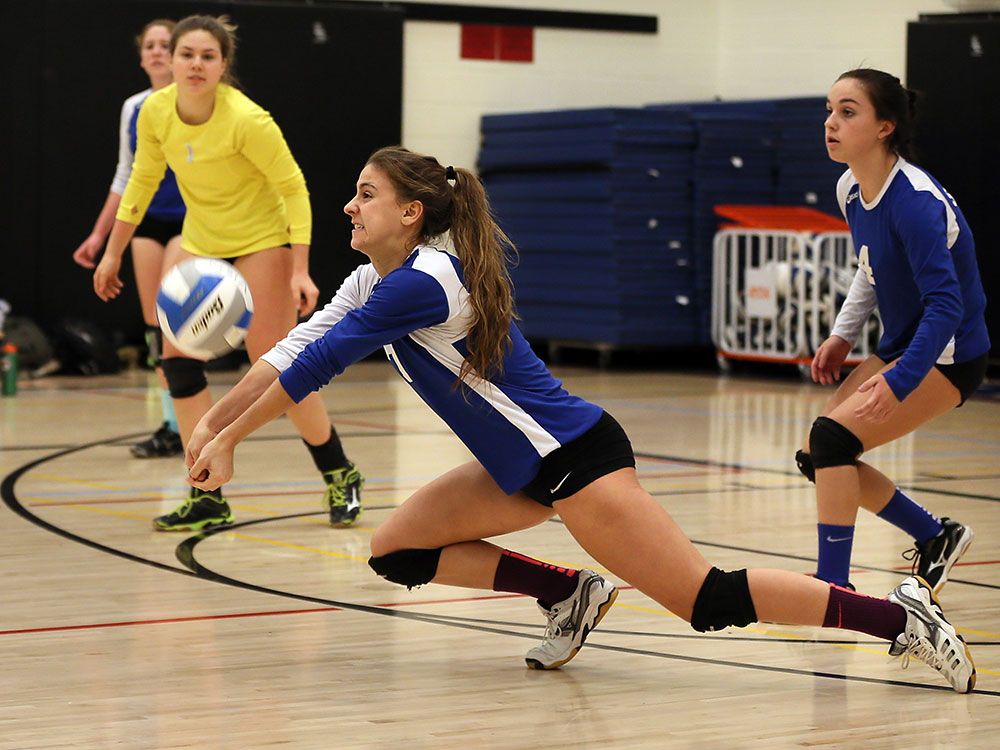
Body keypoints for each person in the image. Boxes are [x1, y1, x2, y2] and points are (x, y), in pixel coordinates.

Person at [185, 146, 975, 693]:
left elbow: (322, 366)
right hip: (523, 471)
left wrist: (226, 438)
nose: (349, 204)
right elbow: (291, 353)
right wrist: (211, 429)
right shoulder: (370, 280)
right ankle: (570, 596)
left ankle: (897, 616)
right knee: (395, 550)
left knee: (706, 599)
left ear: (410, 212)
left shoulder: (422, 283)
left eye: (365, 194)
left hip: (575, 460)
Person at [92, 15, 364, 531]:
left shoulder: (248, 120)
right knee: (175, 359)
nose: (196, 64)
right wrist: (112, 253)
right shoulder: (155, 111)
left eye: (207, 56)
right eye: (186, 54)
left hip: (262, 240)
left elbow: (294, 189)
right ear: (169, 60)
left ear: (223, 65)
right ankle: (206, 492)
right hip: (201, 242)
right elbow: (141, 183)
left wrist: (300, 269)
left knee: (276, 365)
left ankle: (338, 470)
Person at [799, 68, 989, 595]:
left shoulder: (916, 203)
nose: (830, 123)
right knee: (820, 455)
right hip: (906, 343)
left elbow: (946, 304)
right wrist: (843, 333)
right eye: (830, 109)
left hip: (948, 355)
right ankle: (935, 535)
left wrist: (902, 378)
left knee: (831, 442)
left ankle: (833, 586)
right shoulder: (851, 188)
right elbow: (871, 266)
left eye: (847, 111)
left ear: (885, 127)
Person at [74, 19, 185, 459]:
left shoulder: (195, 102)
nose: (158, 52)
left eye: (166, 45)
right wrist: (100, 236)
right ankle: (171, 425)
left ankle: (190, 418)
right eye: (151, 46)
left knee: (174, 320)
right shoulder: (134, 107)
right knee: (154, 328)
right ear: (142, 57)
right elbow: (126, 174)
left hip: (190, 221)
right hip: (147, 222)